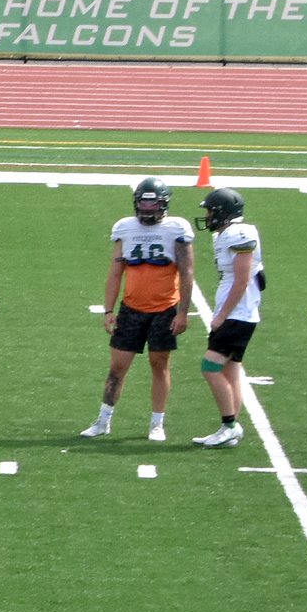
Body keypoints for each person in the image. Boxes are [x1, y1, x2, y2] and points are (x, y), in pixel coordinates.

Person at [84, 177, 195, 443]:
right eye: (143, 203)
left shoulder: (177, 228)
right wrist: (108, 310)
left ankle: (157, 423)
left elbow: (187, 272)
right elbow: (115, 272)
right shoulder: (124, 228)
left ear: (163, 204)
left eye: (152, 204)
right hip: (131, 309)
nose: (147, 209)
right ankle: (103, 421)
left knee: (159, 365)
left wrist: (182, 312)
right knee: (117, 367)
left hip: (164, 309)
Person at [192, 186, 264, 449]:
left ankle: (230, 425)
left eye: (211, 211)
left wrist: (222, 315)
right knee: (230, 369)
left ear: (223, 212)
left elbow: (242, 280)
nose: (208, 216)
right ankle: (231, 428)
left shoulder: (238, 234)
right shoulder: (226, 234)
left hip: (238, 313)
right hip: (237, 311)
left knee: (210, 366)